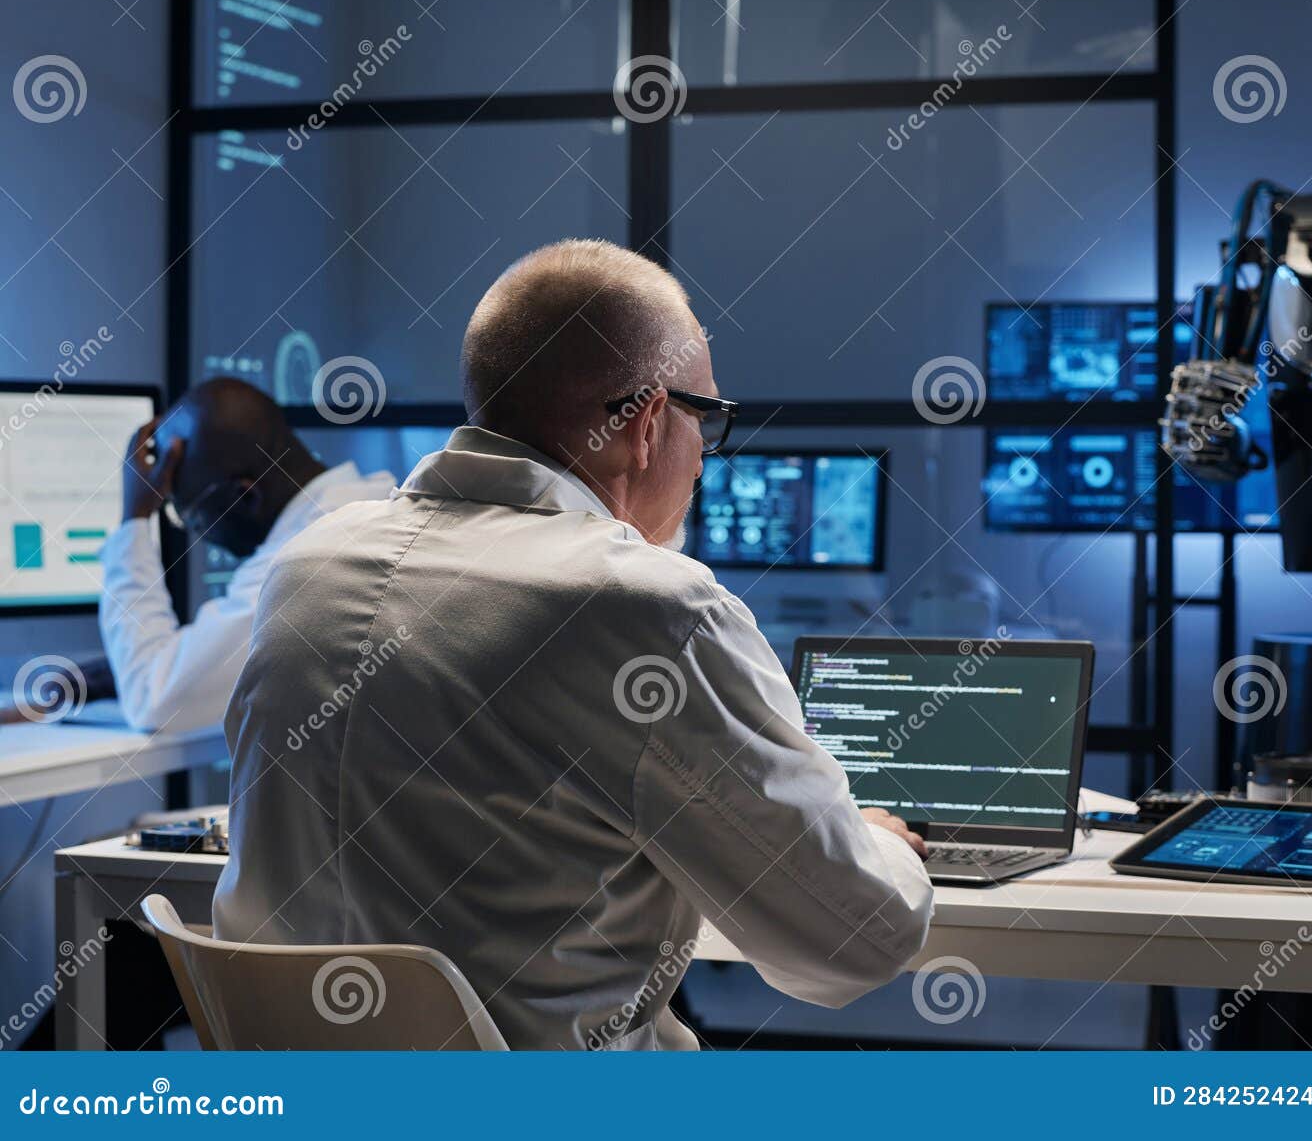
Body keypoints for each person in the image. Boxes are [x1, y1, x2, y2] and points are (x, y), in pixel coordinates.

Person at [213, 239, 934, 1050]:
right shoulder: (653, 607)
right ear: (648, 423)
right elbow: (855, 938)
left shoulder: (309, 563)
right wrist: (877, 842)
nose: (705, 456)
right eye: (706, 420)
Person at [99, 377, 395, 732]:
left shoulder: (301, 564)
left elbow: (154, 700)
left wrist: (134, 519)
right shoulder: (375, 503)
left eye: (187, 515)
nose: (196, 534)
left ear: (245, 497)